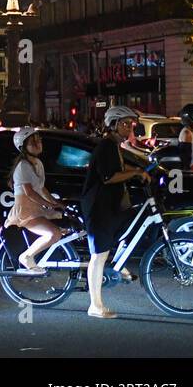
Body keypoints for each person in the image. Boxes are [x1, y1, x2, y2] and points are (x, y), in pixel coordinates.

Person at [81, 105, 149, 319]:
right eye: (125, 124)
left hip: (112, 207)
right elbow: (109, 176)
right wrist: (135, 172)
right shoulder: (106, 146)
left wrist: (139, 170)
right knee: (98, 256)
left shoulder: (115, 146)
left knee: (129, 229)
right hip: (100, 208)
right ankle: (95, 305)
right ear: (113, 124)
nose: (129, 128)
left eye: (131, 124)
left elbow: (120, 168)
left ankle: (119, 264)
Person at [5, 128, 67, 272]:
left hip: (37, 208)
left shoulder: (38, 163)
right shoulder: (23, 167)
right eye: (33, 142)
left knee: (67, 226)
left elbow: (41, 188)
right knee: (54, 233)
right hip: (27, 211)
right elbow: (30, 193)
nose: (38, 144)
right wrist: (49, 205)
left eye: (39, 140)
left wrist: (56, 203)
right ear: (23, 147)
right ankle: (26, 256)